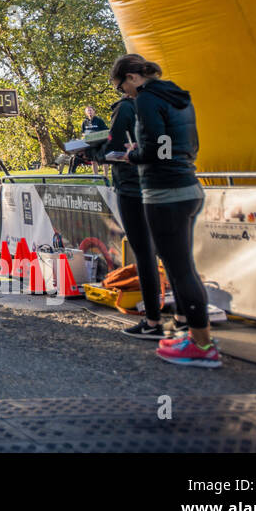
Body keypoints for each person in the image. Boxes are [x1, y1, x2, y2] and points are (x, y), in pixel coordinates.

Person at [105, 53, 218, 368]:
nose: (124, 94)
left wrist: (133, 155)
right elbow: (184, 144)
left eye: (121, 87)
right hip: (188, 186)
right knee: (184, 268)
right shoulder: (177, 95)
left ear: (132, 78)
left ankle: (203, 344)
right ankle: (196, 335)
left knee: (180, 271)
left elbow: (155, 147)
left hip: (165, 192)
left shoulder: (145, 100)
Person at [92, 86, 165, 339]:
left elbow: (115, 146)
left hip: (134, 186)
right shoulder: (169, 104)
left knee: (144, 254)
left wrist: (96, 153)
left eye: (119, 84)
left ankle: (154, 321)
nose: (118, 90)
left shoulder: (126, 107)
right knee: (171, 255)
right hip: (165, 184)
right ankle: (184, 321)